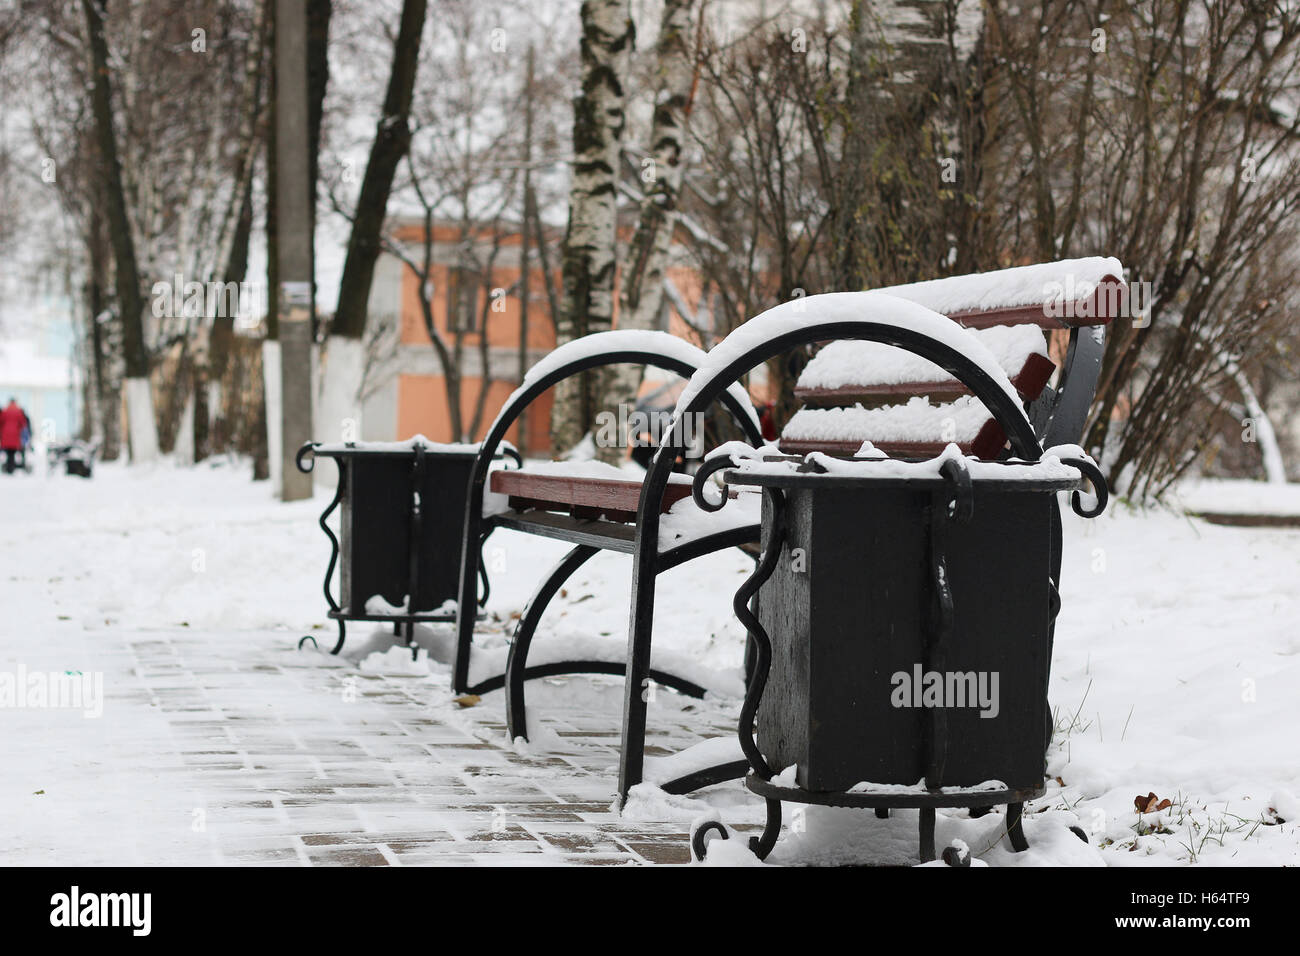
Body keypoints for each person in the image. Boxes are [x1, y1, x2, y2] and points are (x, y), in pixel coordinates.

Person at [0, 398, 31, 474]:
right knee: (13, 451)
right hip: (15, 434)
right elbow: (23, 423)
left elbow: (1, 421)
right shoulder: (19, 411)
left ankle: (9, 467)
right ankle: (11, 467)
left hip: (5, 434)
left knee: (9, 451)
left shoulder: (5, 411)